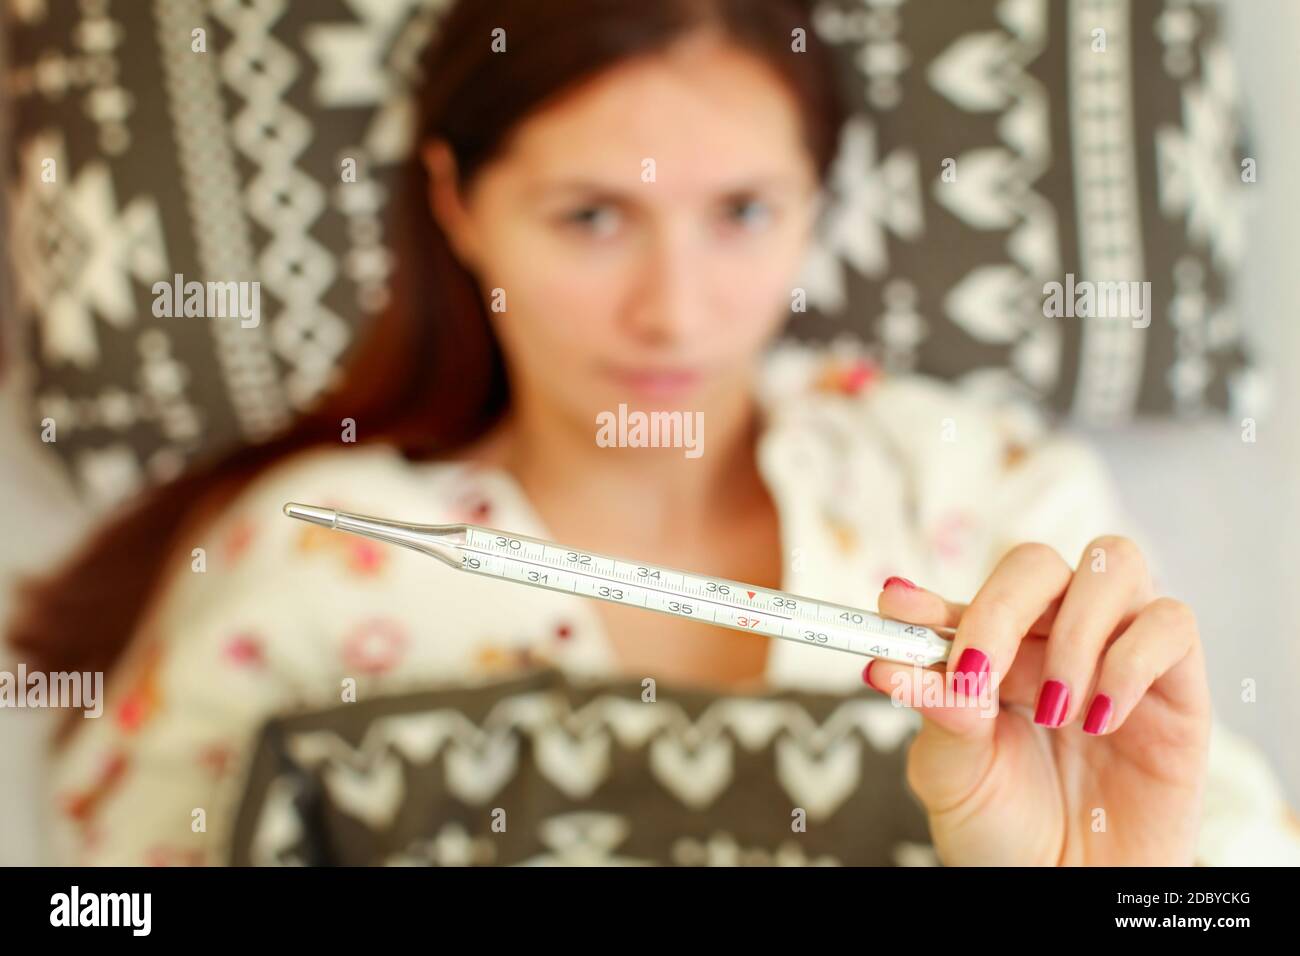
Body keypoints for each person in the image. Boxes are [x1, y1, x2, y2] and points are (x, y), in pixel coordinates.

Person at [8, 0, 1300, 866]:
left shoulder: (994, 502)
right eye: (590, 218)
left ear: (816, 205)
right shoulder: (298, 569)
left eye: (742, 212)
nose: (674, 310)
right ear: (458, 207)